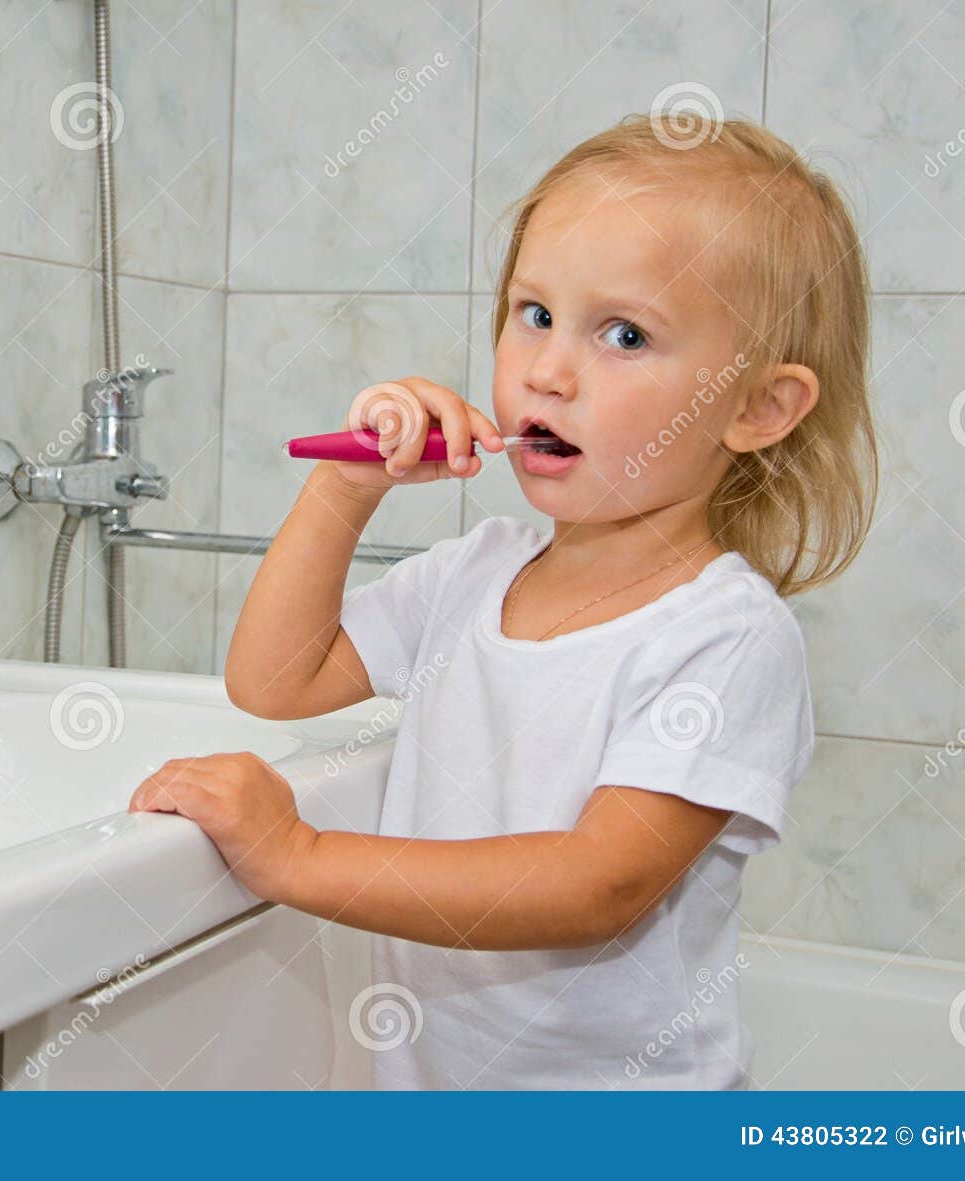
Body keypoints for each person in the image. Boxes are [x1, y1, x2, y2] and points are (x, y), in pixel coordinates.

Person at [129, 115, 878, 1089]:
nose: (549, 370)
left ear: (755, 409)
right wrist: (346, 489)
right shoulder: (474, 568)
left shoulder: (726, 638)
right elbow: (274, 679)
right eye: (532, 312)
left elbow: (594, 884)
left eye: (623, 334)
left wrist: (294, 851)